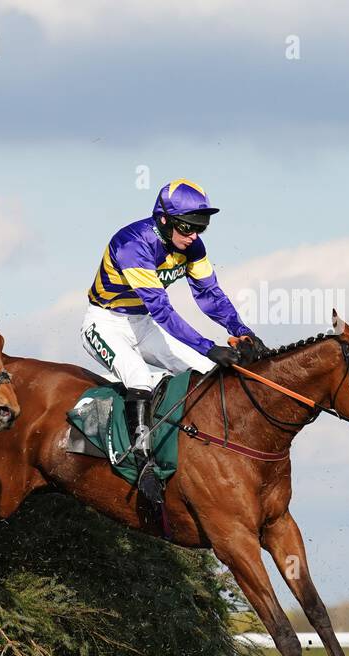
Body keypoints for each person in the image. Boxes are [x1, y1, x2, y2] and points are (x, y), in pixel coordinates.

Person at [81, 179, 265, 501]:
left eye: (200, 228)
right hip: (106, 323)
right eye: (186, 227)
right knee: (140, 378)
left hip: (143, 325)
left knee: (205, 370)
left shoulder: (191, 247)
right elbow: (163, 311)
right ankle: (142, 464)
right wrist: (209, 345)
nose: (193, 236)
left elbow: (209, 294)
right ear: (163, 219)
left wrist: (241, 331)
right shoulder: (133, 243)